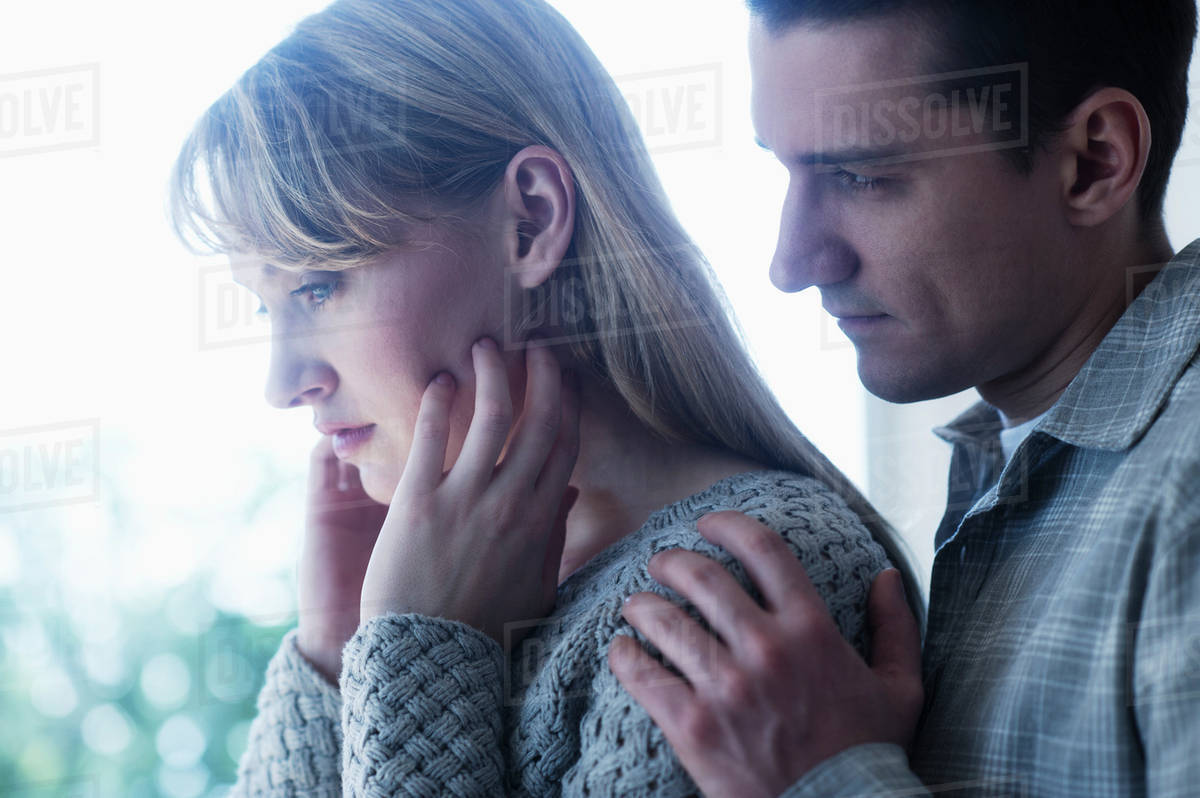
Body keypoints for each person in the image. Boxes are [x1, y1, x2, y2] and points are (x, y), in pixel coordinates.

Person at [168, 0, 924, 795]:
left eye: (319, 287)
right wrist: (334, 653)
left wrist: (414, 654)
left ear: (531, 221)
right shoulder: (450, 587)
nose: (284, 386)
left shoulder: (727, 583)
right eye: (266, 307)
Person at [609, 1, 1200, 796]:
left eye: (862, 177)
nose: (793, 261)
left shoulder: (1186, 496)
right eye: (786, 170)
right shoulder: (1021, 458)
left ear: (1093, 163)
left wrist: (822, 778)